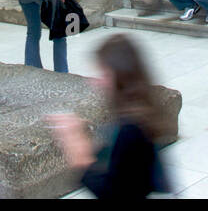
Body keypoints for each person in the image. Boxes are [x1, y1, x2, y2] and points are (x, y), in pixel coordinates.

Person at [47, 34, 169, 199]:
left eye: (104, 74)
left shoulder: (131, 128)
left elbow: (114, 192)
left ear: (121, 76)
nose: (97, 82)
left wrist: (79, 152)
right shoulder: (141, 111)